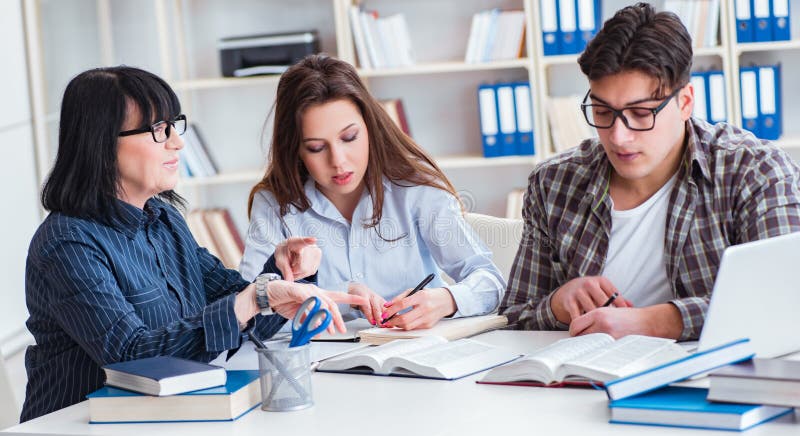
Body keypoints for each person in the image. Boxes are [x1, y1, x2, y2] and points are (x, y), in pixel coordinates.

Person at [21, 66, 365, 421]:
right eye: (158, 130)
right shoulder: (67, 243)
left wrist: (283, 275)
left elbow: (238, 311)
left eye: (173, 125)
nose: (177, 141)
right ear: (102, 143)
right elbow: (132, 357)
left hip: (163, 420)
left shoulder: (164, 220)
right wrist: (256, 298)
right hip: (74, 425)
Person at [500, 3, 800, 341]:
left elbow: (787, 299)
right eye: (602, 112)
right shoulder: (553, 184)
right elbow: (512, 318)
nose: (618, 136)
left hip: (711, 382)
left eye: (641, 113)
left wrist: (653, 322)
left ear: (685, 102)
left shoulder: (754, 171)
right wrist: (556, 304)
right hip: (582, 385)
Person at [240, 54, 505, 330]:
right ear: (295, 148)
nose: (339, 161)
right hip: (320, 367)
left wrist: (446, 300)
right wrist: (342, 294)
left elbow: (490, 281)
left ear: (369, 127)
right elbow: (247, 306)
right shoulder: (275, 204)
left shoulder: (415, 188)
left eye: (349, 138)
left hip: (416, 356)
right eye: (317, 148)